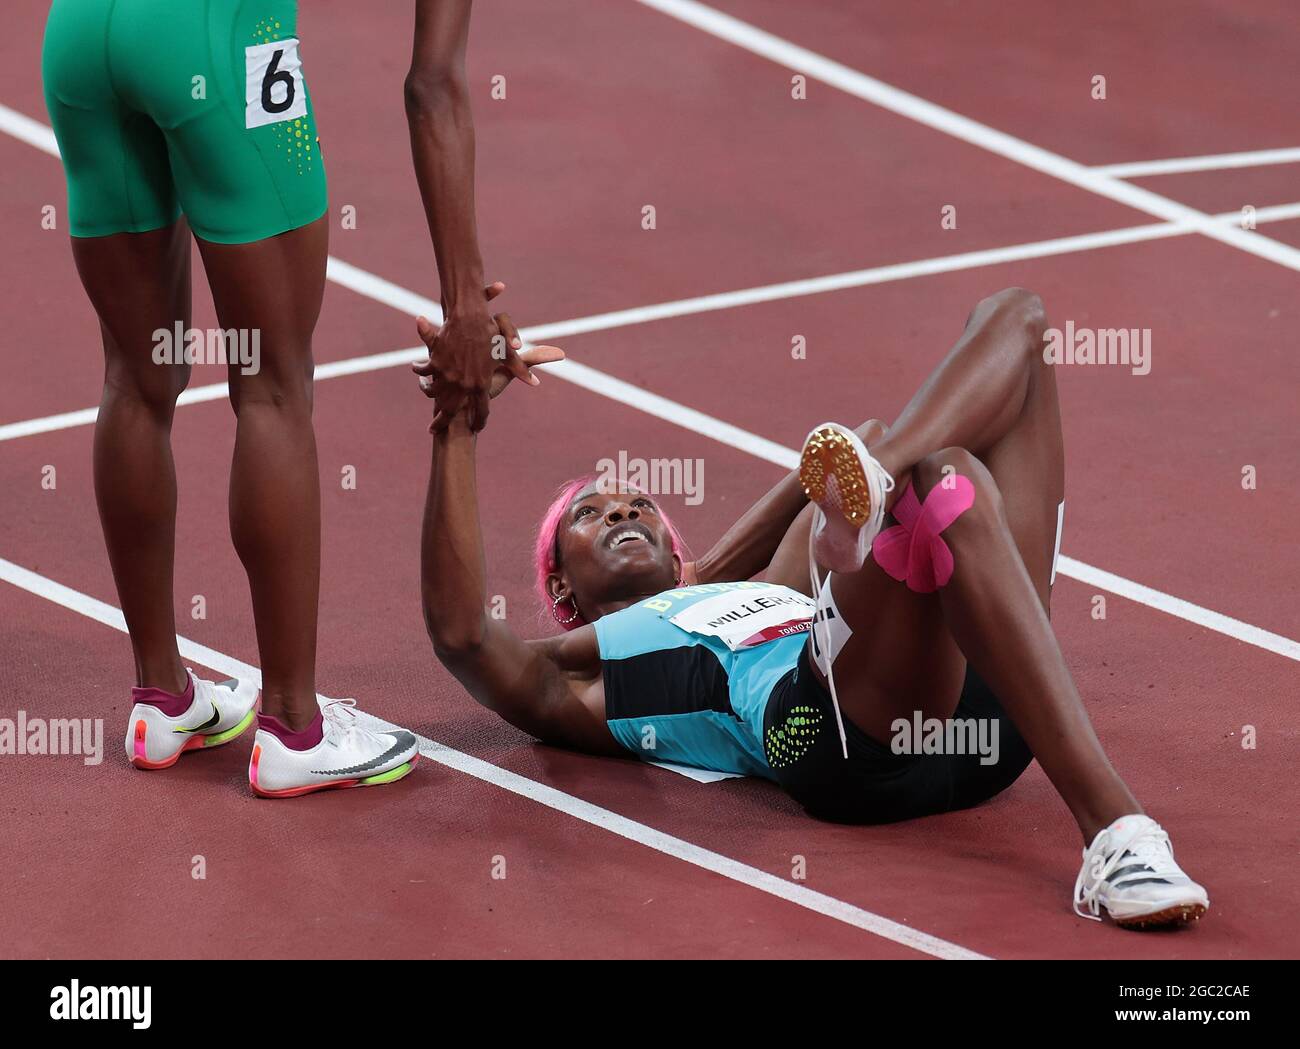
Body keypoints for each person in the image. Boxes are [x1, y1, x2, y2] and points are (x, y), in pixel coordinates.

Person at [415, 287, 1210, 928]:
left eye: (640, 504)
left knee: (1018, 328)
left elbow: (855, 438)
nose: (624, 511)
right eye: (591, 513)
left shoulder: (763, 580)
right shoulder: (589, 675)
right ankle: (1119, 834)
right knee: (937, 478)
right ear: (561, 589)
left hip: (987, 716)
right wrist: (459, 419)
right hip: (831, 738)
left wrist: (716, 565)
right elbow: (461, 638)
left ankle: (889, 489)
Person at [42, 0, 525, 795]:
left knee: (134, 373)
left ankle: (162, 696)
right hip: (217, 43)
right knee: (273, 385)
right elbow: (432, 85)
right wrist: (464, 301)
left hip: (79, 38)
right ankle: (294, 726)